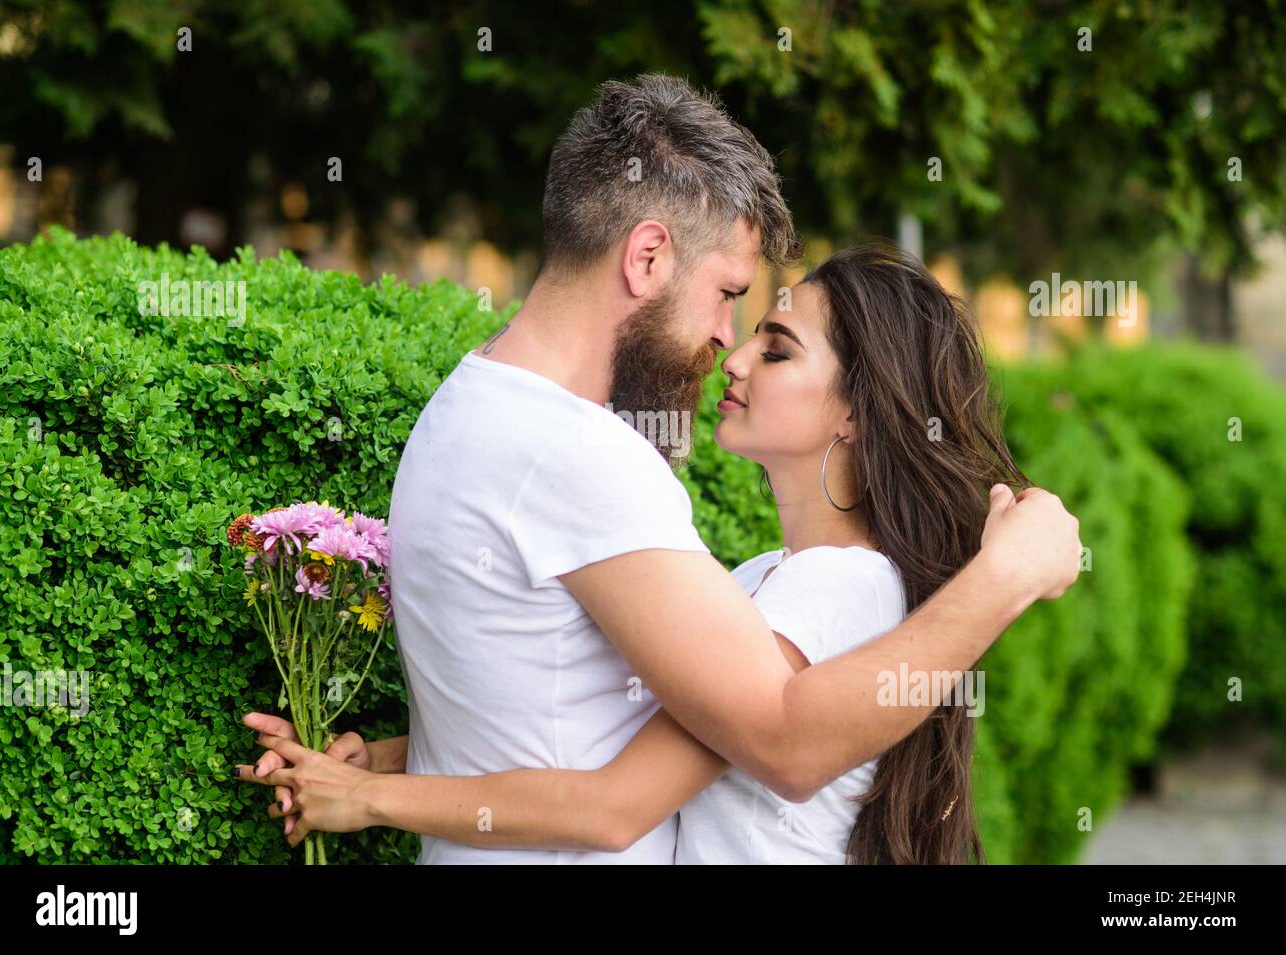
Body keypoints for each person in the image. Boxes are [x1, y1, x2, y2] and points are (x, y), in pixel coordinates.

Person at [239, 75, 1080, 864]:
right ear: (647, 259)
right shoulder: (585, 459)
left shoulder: (464, 407)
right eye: (727, 295)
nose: (729, 344)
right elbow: (719, 753)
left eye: (771, 339)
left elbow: (574, 734)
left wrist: (377, 782)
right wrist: (1002, 575)